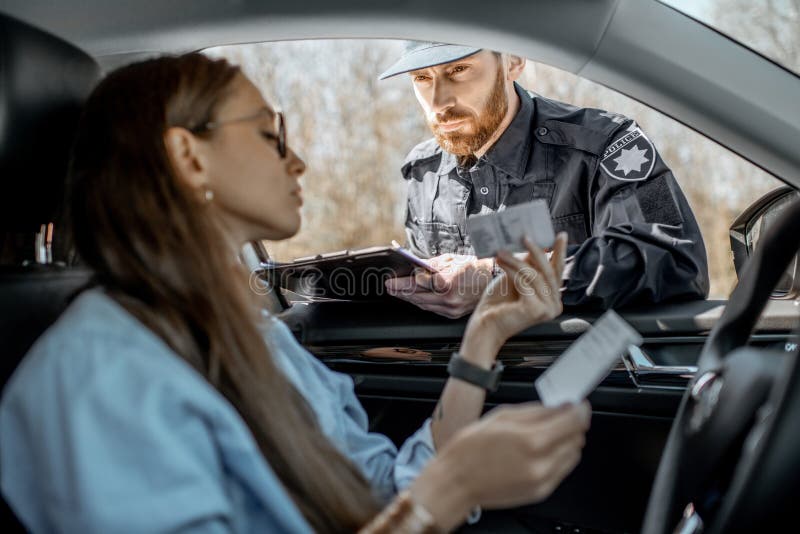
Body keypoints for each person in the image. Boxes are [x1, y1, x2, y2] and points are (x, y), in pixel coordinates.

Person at [0, 53, 590, 533]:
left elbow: (382, 489)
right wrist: (449, 492)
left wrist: (485, 334)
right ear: (188, 157)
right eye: (269, 135)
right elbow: (414, 503)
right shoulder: (97, 376)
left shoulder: (259, 340)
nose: (299, 161)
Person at [381, 42, 710, 318]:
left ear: (513, 60)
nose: (439, 103)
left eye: (458, 70)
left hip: (575, 383)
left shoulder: (608, 146)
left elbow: (675, 260)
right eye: (422, 77)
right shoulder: (424, 172)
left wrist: (502, 278)